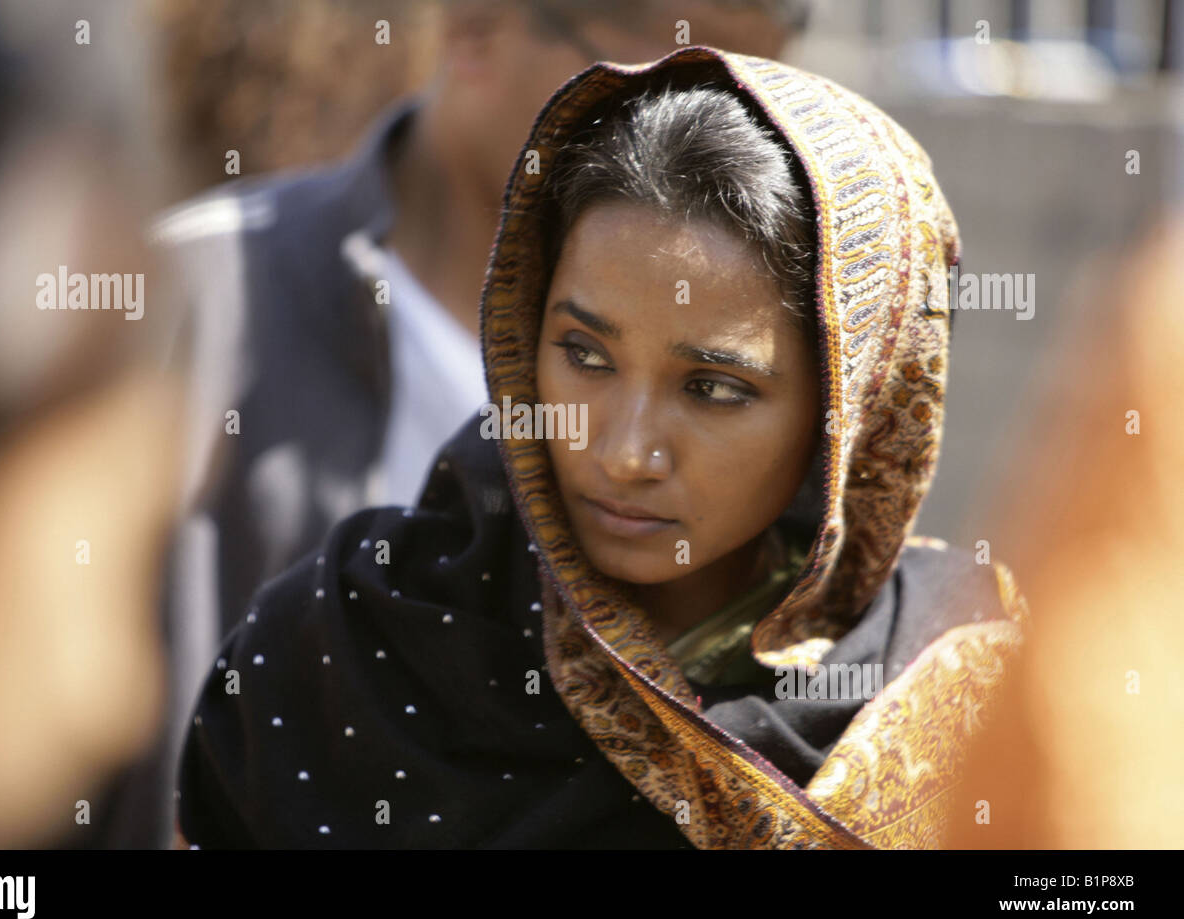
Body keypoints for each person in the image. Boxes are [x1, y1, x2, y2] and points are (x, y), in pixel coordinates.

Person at [175, 45, 1028, 849]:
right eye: (585, 355)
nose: (622, 453)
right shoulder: (350, 641)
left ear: (853, 409)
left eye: (714, 389)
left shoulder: (961, 670)